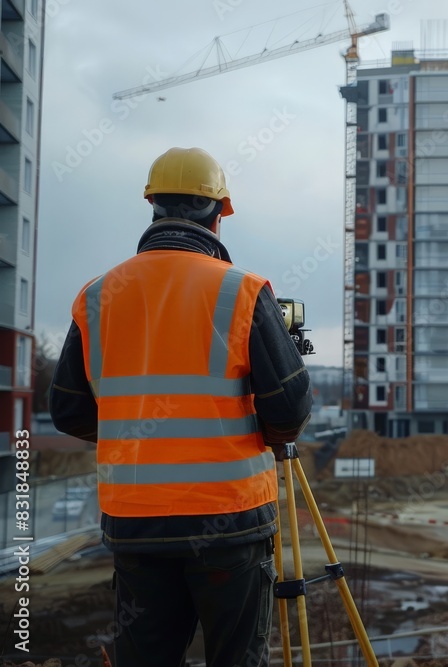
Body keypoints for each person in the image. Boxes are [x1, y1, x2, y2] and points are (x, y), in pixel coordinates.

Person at [49, 147, 313, 667]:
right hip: (228, 521)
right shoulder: (242, 291)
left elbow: (68, 412)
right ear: (218, 215)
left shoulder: (97, 296)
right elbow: (290, 409)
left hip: (136, 525)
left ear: (153, 207)